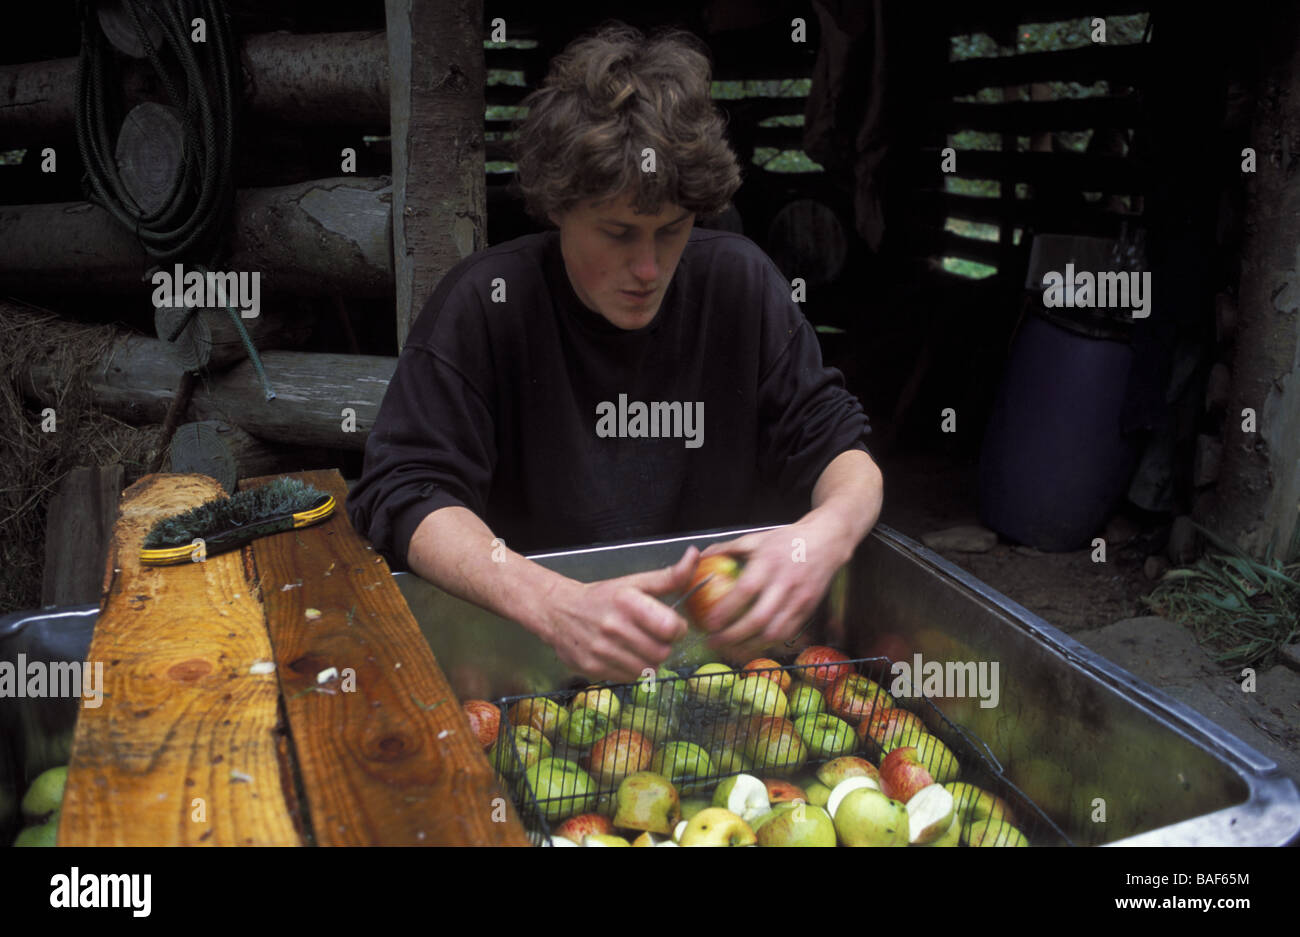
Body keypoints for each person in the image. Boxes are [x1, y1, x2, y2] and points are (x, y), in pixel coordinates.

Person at [347, 23, 883, 682]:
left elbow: (842, 450)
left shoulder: (739, 285)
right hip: (526, 671)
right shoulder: (485, 303)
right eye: (619, 232)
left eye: (673, 230)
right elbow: (407, 493)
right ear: (557, 205)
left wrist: (824, 532)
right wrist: (553, 603)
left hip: (716, 670)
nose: (649, 268)